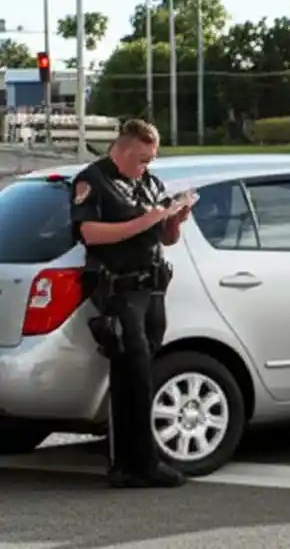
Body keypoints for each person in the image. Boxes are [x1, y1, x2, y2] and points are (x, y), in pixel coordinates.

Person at [71, 119, 194, 488]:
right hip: (119, 289)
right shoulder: (94, 181)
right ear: (122, 150)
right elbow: (89, 233)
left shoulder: (150, 183)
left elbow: (165, 238)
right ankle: (138, 463)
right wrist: (146, 220)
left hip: (152, 287)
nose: (147, 167)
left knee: (142, 375)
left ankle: (133, 462)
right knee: (132, 372)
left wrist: (174, 220)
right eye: (142, 159)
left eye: (151, 159)